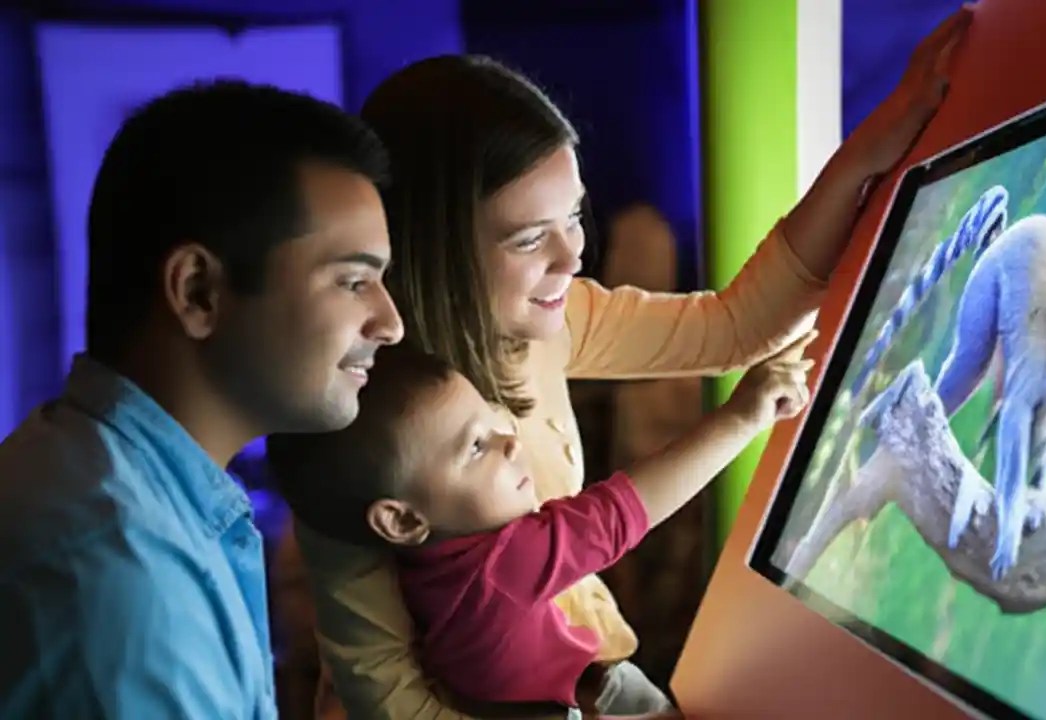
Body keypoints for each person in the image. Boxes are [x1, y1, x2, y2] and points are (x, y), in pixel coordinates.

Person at [281, 8, 974, 719]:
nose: (572, 255)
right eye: (529, 239)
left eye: (574, 217)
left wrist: (867, 154)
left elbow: (736, 327)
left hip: (588, 683)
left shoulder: (554, 321)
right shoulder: (357, 417)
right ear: (440, 249)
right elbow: (383, 684)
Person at [0, 79, 404, 718]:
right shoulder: (121, 571)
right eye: (353, 281)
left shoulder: (115, 485)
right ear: (197, 292)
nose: (390, 324)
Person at [268, 332, 814, 719]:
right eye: (475, 447)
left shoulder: (422, 570)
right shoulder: (501, 567)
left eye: (492, 421)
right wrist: (744, 416)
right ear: (403, 518)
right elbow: (623, 511)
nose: (510, 442)